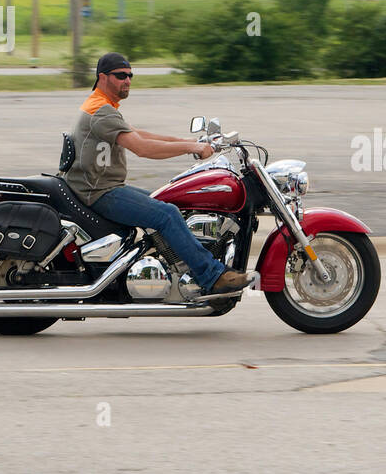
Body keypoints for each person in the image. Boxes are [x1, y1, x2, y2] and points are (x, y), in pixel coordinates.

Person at [65, 52, 255, 297]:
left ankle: (178, 270)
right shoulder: (101, 111)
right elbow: (142, 148)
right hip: (99, 192)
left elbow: (141, 134)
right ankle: (211, 276)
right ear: (102, 77)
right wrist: (193, 148)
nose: (128, 80)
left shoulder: (103, 107)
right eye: (121, 75)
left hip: (100, 187)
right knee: (167, 214)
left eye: (130, 75)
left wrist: (191, 141)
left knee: (171, 203)